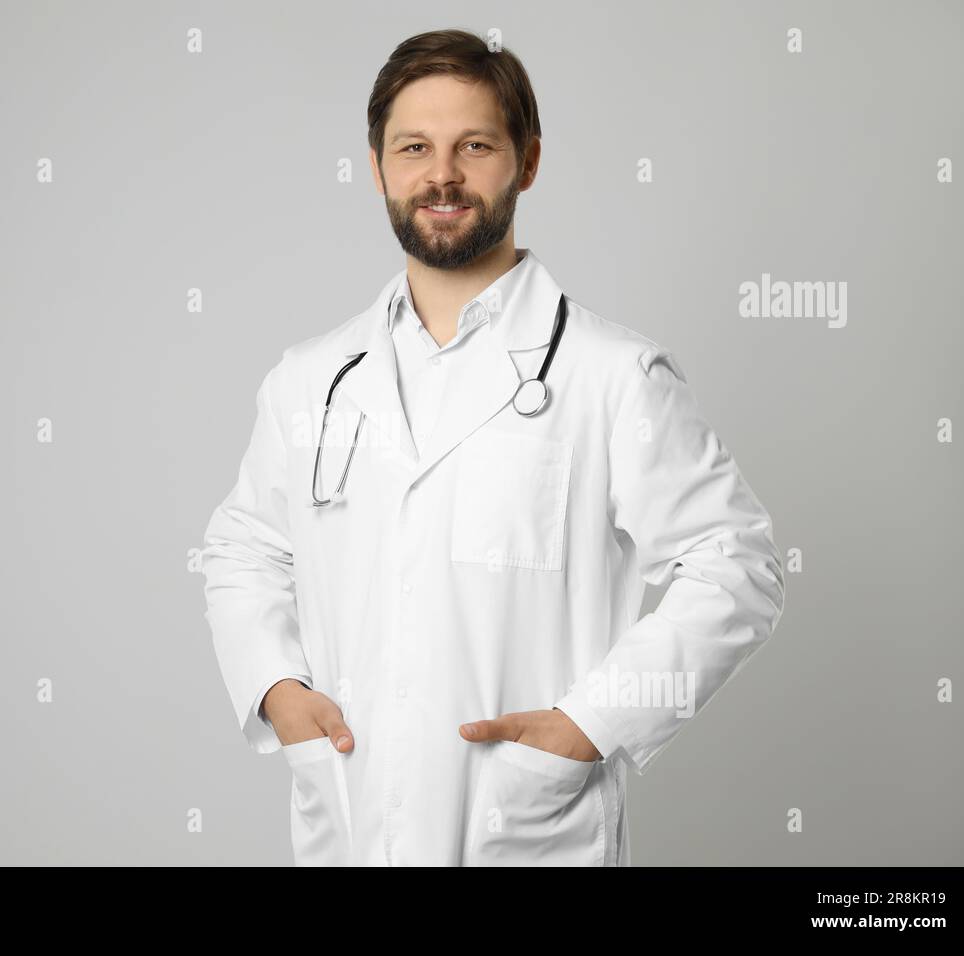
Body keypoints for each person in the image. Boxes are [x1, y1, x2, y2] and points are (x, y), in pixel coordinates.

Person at [199, 28, 785, 866]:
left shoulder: (611, 376)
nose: (441, 175)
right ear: (377, 169)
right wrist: (278, 691)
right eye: (414, 148)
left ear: (527, 162)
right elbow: (242, 548)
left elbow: (737, 564)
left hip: (527, 826)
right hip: (352, 819)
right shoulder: (310, 379)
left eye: (474, 146)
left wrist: (593, 722)